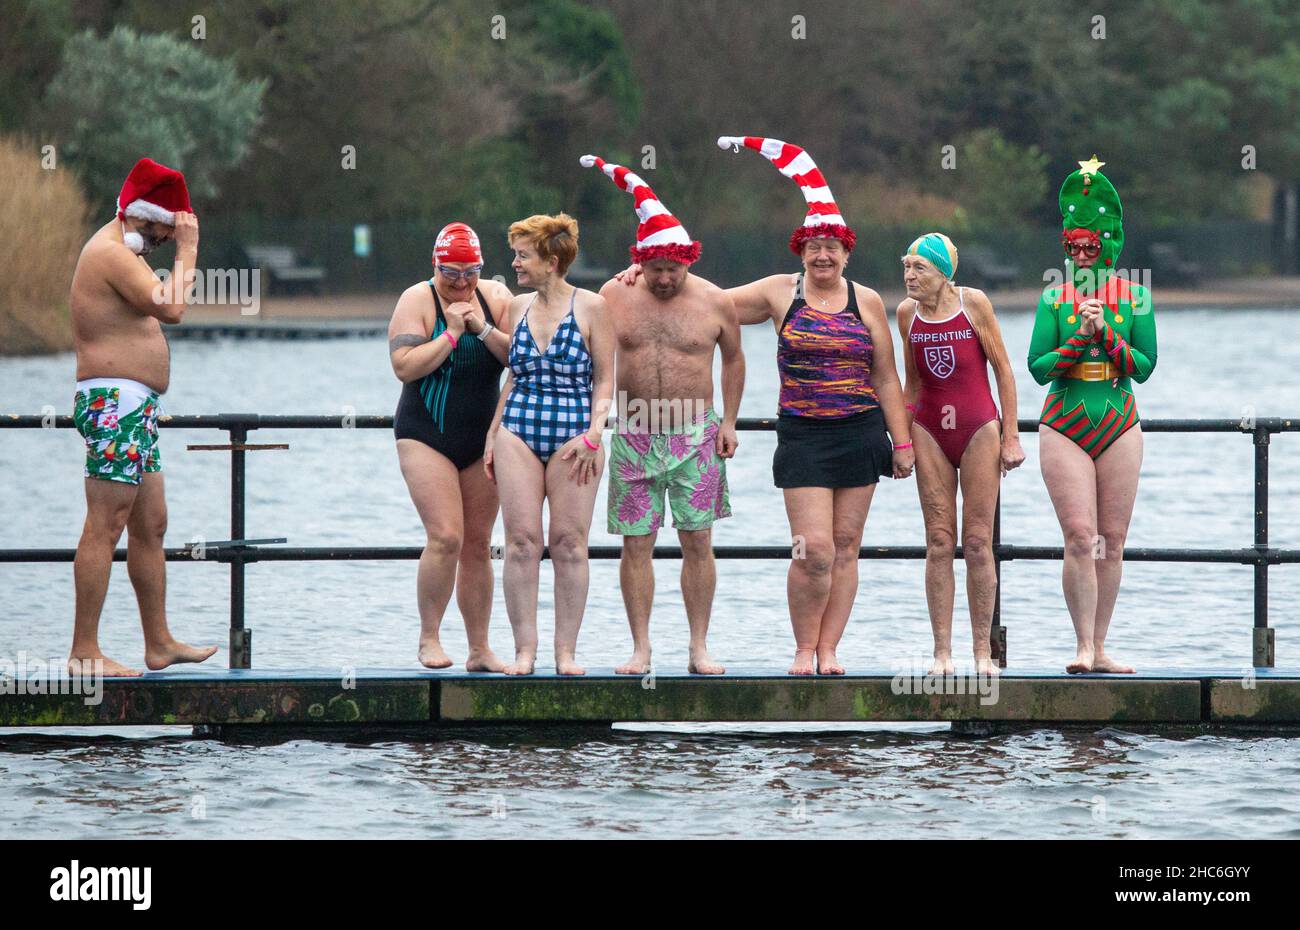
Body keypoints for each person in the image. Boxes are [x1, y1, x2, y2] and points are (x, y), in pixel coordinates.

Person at [716, 135, 914, 675]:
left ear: (848, 252)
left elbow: (887, 376)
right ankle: (803, 646)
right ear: (800, 250)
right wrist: (642, 276)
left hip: (862, 432)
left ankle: (829, 649)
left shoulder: (866, 300)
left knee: (847, 546)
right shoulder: (781, 292)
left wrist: (903, 442)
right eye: (813, 247)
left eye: (832, 247)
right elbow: (709, 305)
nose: (822, 255)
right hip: (803, 436)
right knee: (815, 549)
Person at [580, 154, 744, 676]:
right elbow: (590, 355)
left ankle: (699, 647)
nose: (666, 278)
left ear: (689, 260)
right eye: (656, 268)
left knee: (698, 541)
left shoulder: (716, 302)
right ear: (640, 262)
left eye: (674, 268)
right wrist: (594, 423)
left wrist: (730, 421)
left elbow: (735, 359)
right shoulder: (613, 295)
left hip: (695, 433)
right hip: (632, 431)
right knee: (637, 544)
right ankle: (641, 647)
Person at [67, 157, 217, 677]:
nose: (161, 240)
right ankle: (84, 651)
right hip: (115, 404)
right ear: (136, 215)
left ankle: (158, 643)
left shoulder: (127, 252)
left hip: (137, 408)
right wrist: (190, 249)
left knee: (151, 525)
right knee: (104, 525)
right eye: (158, 230)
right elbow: (172, 307)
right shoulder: (110, 253)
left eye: (168, 233)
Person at [1027, 156, 1157, 674]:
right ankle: (1081, 645)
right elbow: (1038, 368)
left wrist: (1109, 335)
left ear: (1108, 245)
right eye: (1071, 246)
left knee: (1112, 540)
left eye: (1090, 245)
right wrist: (1082, 337)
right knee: (1080, 536)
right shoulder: (1054, 298)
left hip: (1120, 420)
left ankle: (1101, 646)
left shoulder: (1136, 297)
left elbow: (1144, 368)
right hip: (1065, 419)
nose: (1081, 253)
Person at [484, 213, 615, 675]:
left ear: (551, 260)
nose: (515, 263)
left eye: (523, 255)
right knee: (521, 542)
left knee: (569, 544)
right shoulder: (516, 308)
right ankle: (525, 650)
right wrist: (492, 433)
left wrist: (596, 433)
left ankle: (566, 653)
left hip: (576, 433)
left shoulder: (592, 307)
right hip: (519, 426)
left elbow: (605, 382)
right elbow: (513, 375)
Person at [897, 232, 1025, 676]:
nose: (909, 276)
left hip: (979, 427)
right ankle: (941, 655)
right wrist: (901, 439)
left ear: (943, 274)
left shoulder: (975, 304)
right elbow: (911, 384)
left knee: (976, 543)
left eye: (919, 268)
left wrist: (1011, 436)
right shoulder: (906, 314)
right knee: (937, 542)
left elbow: (1003, 370)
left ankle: (982, 654)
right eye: (906, 267)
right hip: (930, 429)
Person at [389, 222, 513, 670]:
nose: (460, 282)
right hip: (425, 432)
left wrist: (480, 328)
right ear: (434, 266)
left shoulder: (496, 300)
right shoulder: (416, 300)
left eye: (470, 272)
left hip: (482, 436)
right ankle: (429, 639)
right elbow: (404, 367)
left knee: (478, 544)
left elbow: (519, 360)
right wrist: (451, 334)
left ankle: (479, 649)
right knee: (445, 536)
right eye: (451, 273)